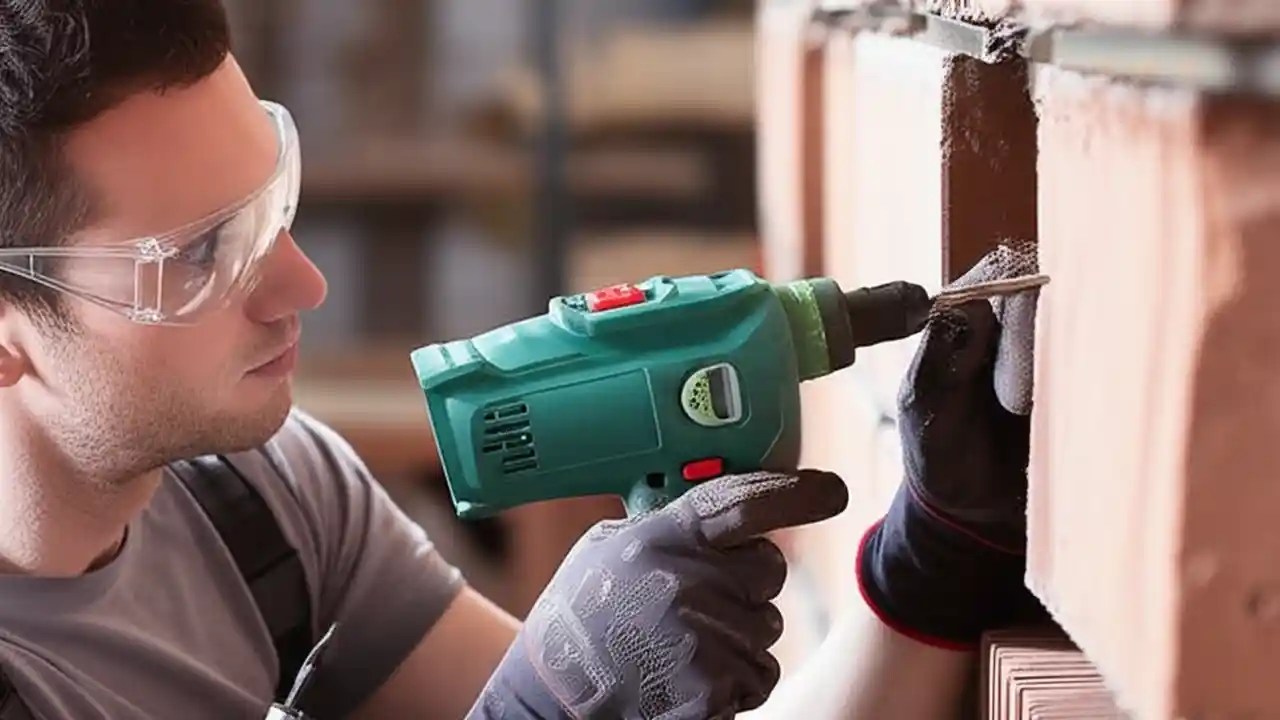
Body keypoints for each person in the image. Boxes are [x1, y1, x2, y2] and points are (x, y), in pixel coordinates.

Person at [0, 2, 1043, 719]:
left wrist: (929, 570)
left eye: (268, 207)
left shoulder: (255, 501)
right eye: (196, 257)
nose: (300, 286)